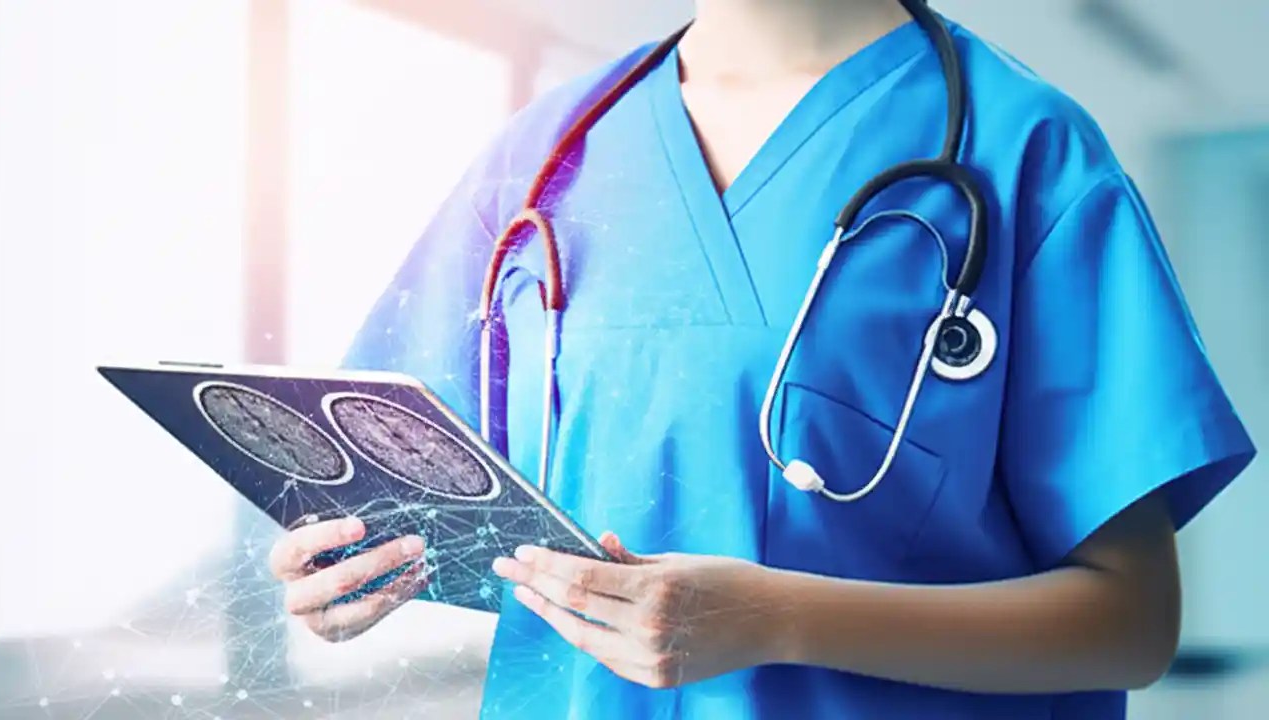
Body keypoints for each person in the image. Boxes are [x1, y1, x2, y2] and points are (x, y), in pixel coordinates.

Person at [267, 0, 1257, 718]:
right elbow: (451, 514)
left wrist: (782, 619)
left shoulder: (1023, 147)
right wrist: (349, 574)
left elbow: (1131, 623)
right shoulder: (542, 156)